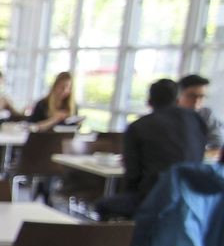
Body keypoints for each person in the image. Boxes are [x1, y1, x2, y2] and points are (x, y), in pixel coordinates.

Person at [96, 78, 207, 219]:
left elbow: (132, 174)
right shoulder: (197, 121)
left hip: (154, 200)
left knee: (103, 205)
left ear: (149, 101)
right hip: (191, 200)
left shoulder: (138, 127)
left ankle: (118, 239)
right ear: (178, 100)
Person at [177, 74, 223, 149]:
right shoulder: (168, 115)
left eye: (201, 96)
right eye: (191, 96)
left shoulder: (206, 114)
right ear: (179, 95)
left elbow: (217, 141)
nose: (196, 101)